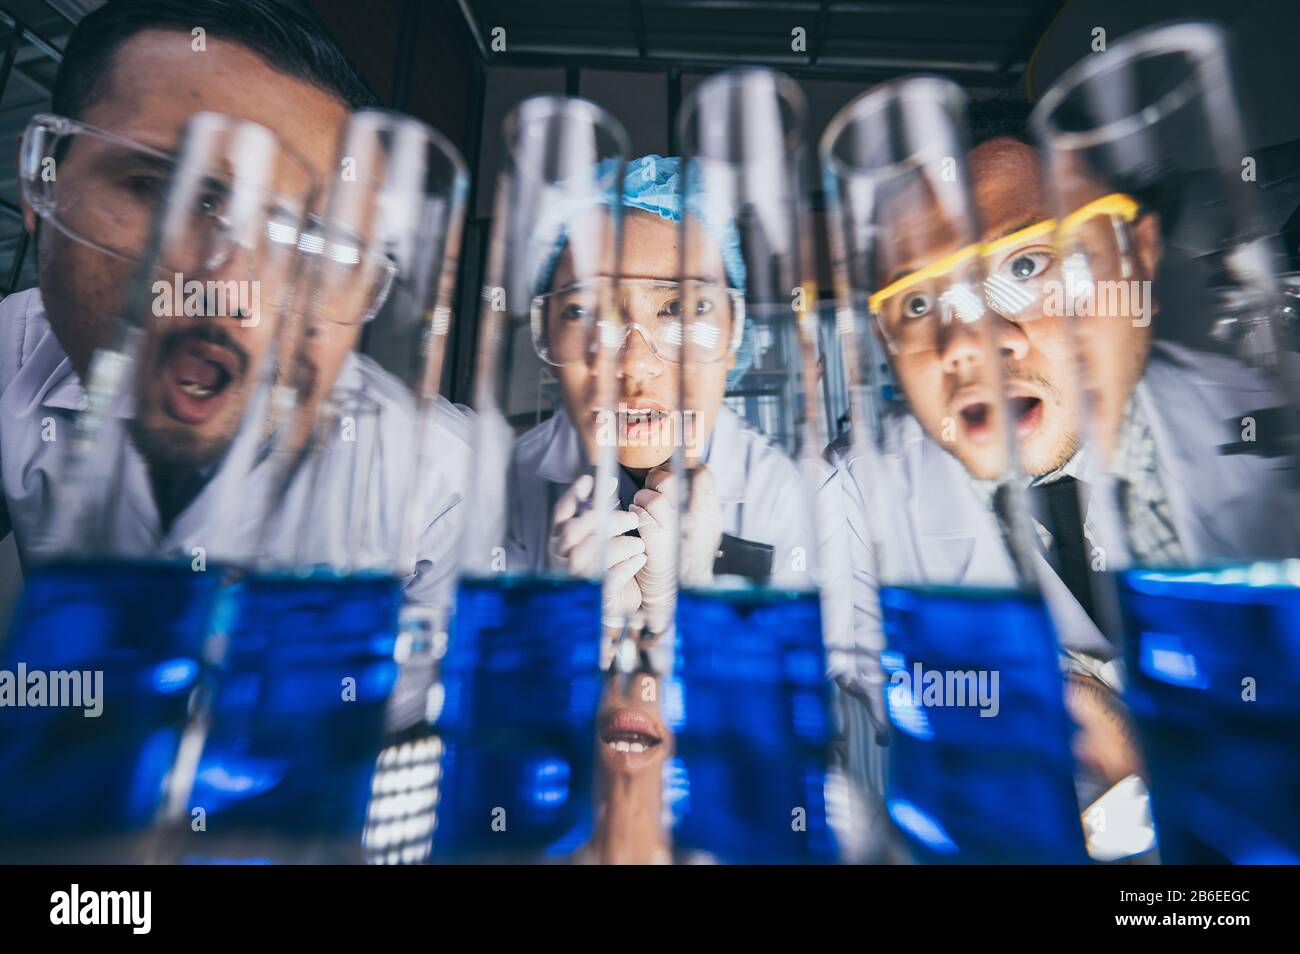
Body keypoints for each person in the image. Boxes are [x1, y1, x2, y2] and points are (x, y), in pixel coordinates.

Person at [0, 0, 470, 613]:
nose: (229, 294)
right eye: (163, 189)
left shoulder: (436, 493)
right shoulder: (13, 349)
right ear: (45, 185)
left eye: (311, 242)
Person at [504, 155, 819, 632]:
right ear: (545, 336)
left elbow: (781, 684)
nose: (634, 363)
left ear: (735, 336)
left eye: (679, 308)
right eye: (585, 311)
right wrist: (562, 619)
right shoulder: (498, 487)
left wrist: (686, 603)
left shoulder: (791, 494)